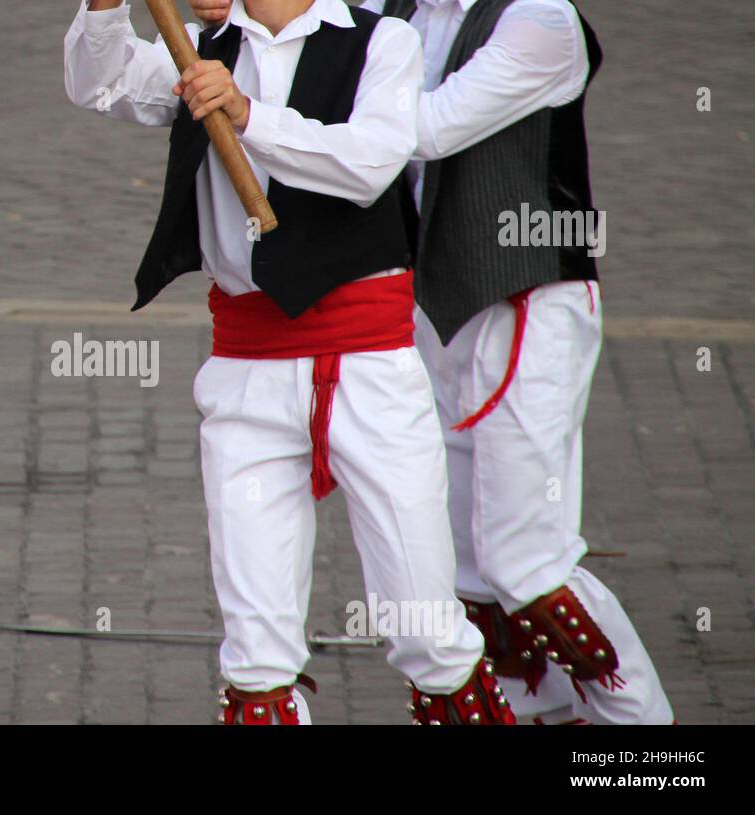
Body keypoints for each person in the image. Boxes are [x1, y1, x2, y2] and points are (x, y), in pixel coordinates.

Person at [196, 0, 673, 724]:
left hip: (525, 302)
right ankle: (543, 707)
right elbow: (303, 25)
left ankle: (642, 733)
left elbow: (414, 132)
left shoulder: (542, 21)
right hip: (425, 309)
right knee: (460, 571)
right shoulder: (398, 9)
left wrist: (275, 97)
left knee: (525, 561)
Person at [66, 0, 513, 725]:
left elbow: (371, 163)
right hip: (245, 370)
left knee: (429, 633)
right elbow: (101, 81)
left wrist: (247, 114)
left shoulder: (382, 41)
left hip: (369, 367)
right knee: (255, 656)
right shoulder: (201, 51)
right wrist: (105, 7)